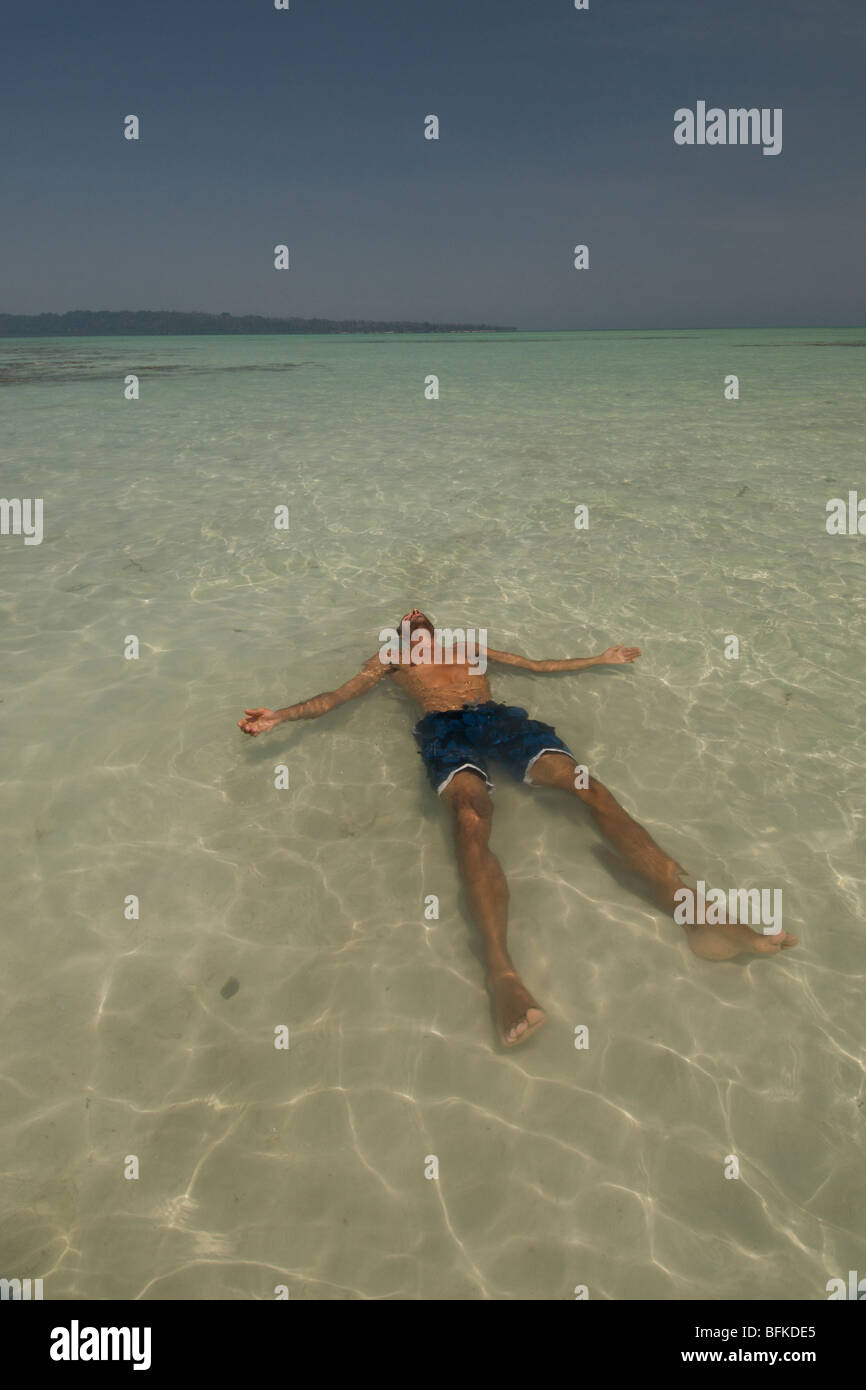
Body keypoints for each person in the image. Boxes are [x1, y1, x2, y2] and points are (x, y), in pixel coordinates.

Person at [239, 609, 798, 1046]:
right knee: (468, 820)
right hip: (443, 731)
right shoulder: (389, 662)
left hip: (498, 720)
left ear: (434, 626)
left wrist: (598, 659)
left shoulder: (471, 647)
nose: (413, 615)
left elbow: (537, 667)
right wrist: (282, 716)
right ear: (402, 637)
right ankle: (502, 975)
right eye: (405, 620)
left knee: (585, 785)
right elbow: (337, 697)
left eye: (420, 614)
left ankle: (693, 910)